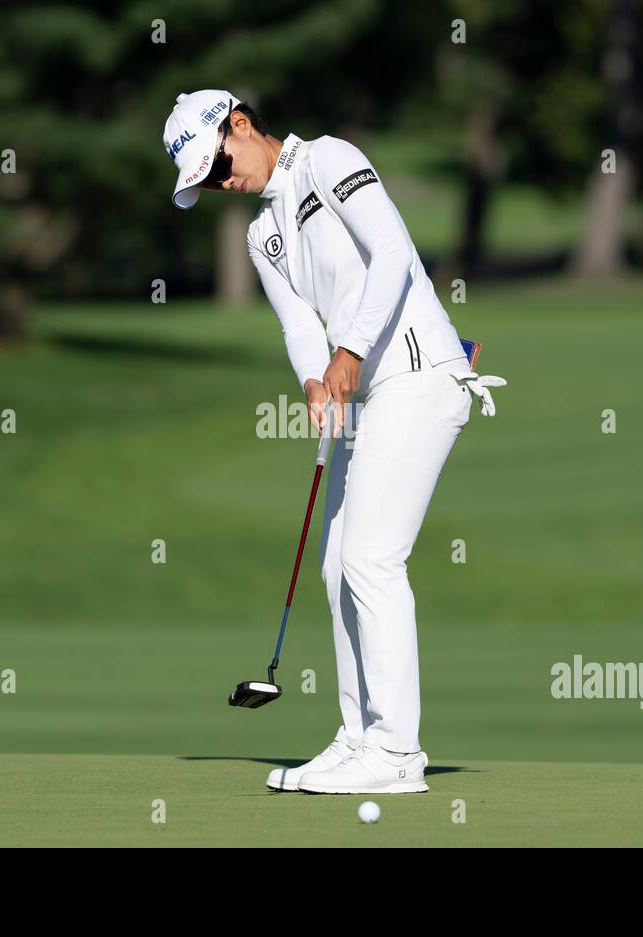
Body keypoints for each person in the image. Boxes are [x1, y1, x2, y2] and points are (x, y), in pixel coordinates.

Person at [163, 90, 504, 794]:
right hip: (363, 394)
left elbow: (394, 255)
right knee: (335, 567)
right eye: (205, 181)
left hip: (420, 372)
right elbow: (297, 323)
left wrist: (347, 353)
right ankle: (358, 738)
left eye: (216, 164)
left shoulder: (330, 160)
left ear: (242, 124)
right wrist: (315, 379)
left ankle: (397, 752)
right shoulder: (263, 234)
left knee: (372, 557)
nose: (220, 182)